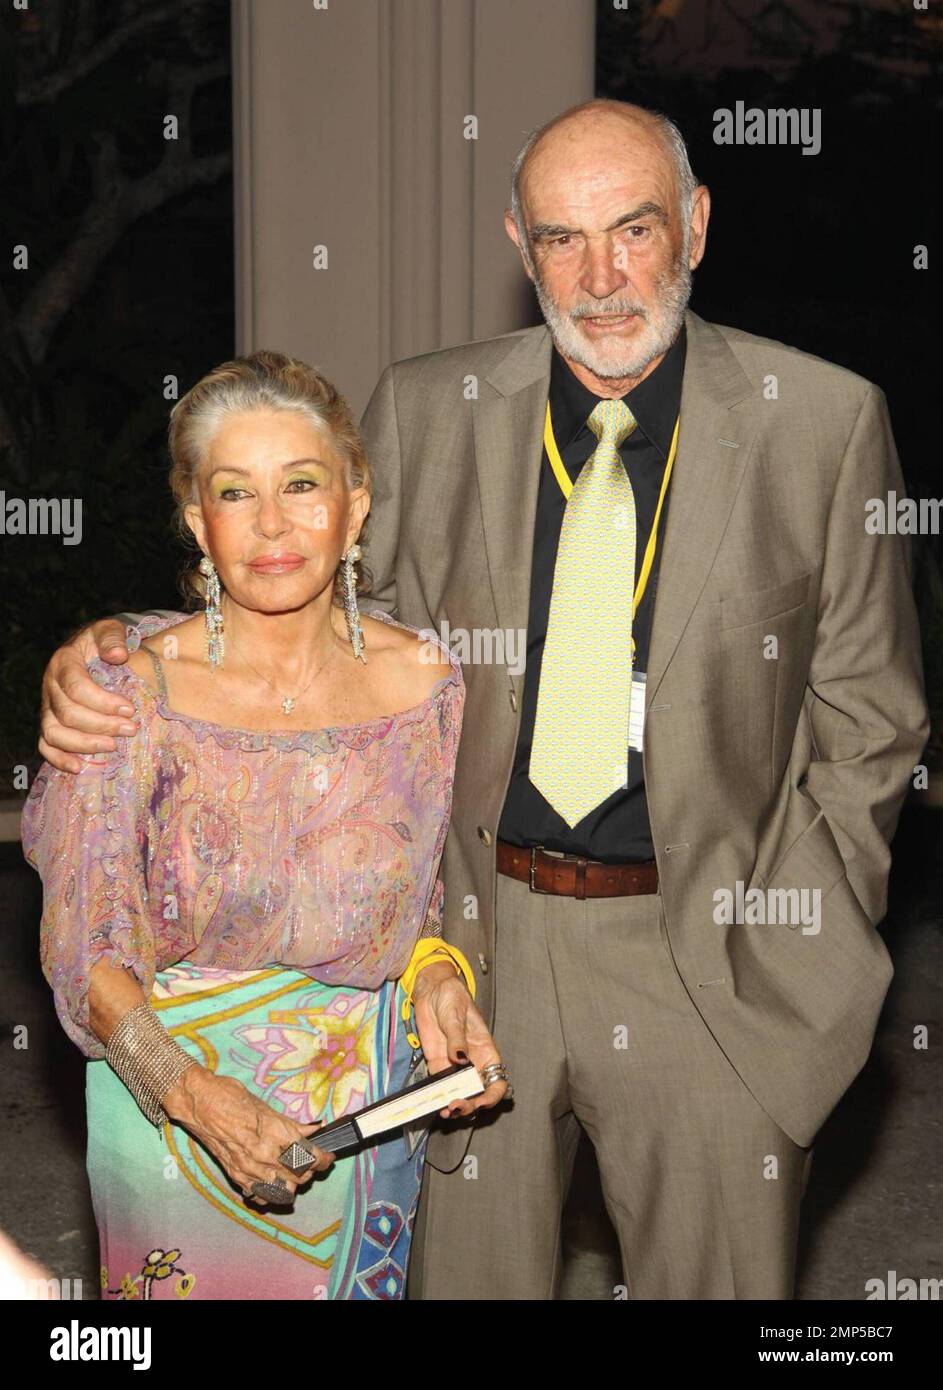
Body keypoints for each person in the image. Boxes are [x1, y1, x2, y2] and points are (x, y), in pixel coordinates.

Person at [38, 99, 929, 1300]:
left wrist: (802, 929)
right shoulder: (427, 407)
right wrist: (113, 646)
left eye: (635, 230)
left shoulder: (822, 422)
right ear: (519, 242)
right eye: (562, 238)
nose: (602, 277)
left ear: (698, 227)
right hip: (466, 950)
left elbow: (873, 717)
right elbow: (303, 598)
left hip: (712, 956)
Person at [23, 351, 507, 1301]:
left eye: (302, 484)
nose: (273, 524)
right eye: (235, 494)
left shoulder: (428, 687)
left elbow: (440, 899)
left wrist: (441, 984)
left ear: (356, 505)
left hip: (365, 1108)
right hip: (168, 1106)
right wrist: (192, 1095)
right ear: (199, 521)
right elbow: (84, 954)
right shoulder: (128, 695)